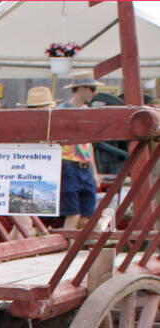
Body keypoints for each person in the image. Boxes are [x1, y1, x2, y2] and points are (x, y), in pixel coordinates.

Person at [58, 79, 102, 229]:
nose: (95, 93)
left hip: (84, 166)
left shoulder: (87, 111)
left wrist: (94, 172)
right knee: (73, 214)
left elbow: (88, 145)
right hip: (68, 164)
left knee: (87, 215)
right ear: (82, 88)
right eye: (93, 89)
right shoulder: (62, 110)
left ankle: (73, 240)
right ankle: (68, 243)